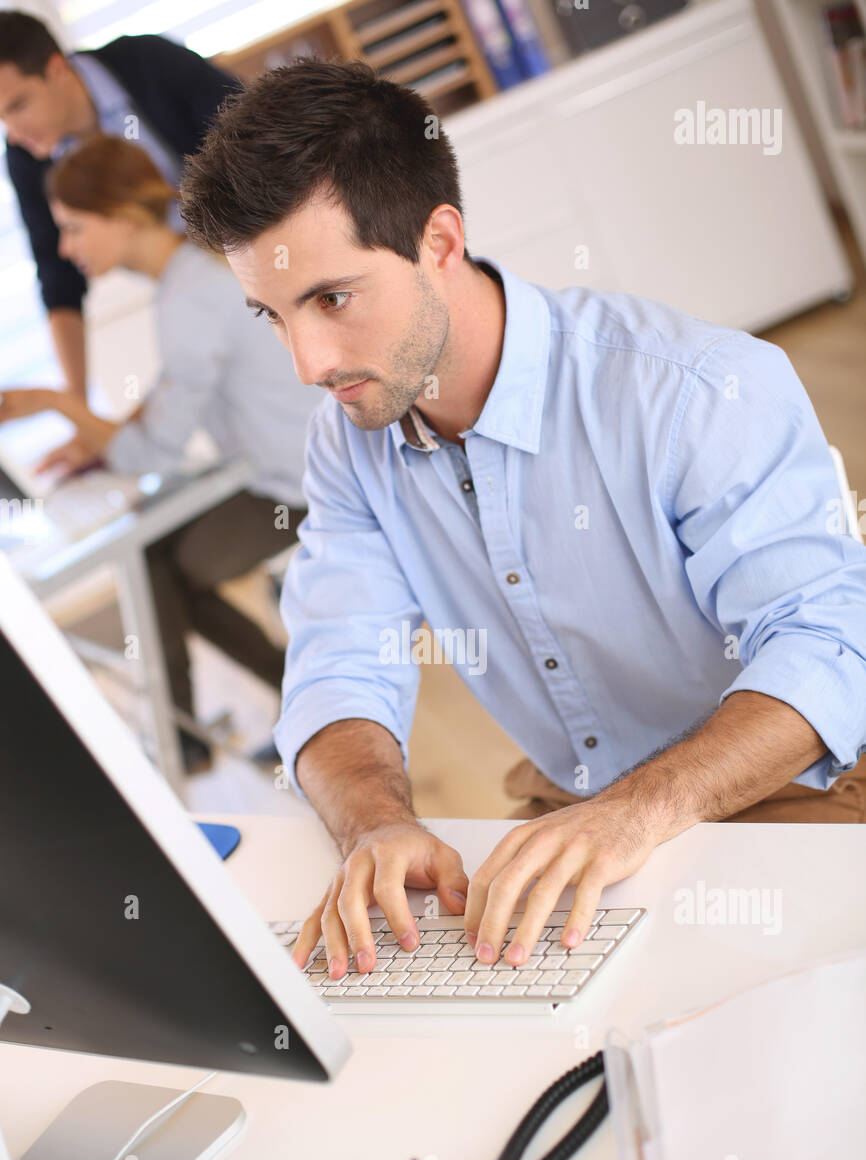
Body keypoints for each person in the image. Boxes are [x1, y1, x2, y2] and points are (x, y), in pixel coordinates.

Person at [179, 59, 866, 976]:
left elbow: (831, 644)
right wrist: (376, 826)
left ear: (440, 242)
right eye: (273, 315)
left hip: (798, 783)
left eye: (332, 299)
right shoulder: (349, 444)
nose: (307, 361)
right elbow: (339, 667)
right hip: (576, 804)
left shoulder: (693, 389)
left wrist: (638, 813)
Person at [0, 134, 321, 772]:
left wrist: (60, 404)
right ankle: (272, 716)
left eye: (73, 228)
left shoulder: (188, 299)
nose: (65, 249)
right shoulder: (194, 274)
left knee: (160, 568)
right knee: (160, 565)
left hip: (300, 485)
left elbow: (154, 453)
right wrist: (98, 434)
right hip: (283, 468)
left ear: (121, 215)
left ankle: (202, 743)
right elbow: (168, 401)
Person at [0, 9, 240, 398]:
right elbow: (57, 276)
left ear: (57, 69)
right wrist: (77, 405)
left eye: (18, 105)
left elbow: (258, 138)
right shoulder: (26, 156)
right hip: (191, 287)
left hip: (258, 244)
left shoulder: (147, 62)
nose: (13, 132)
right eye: (1, 118)